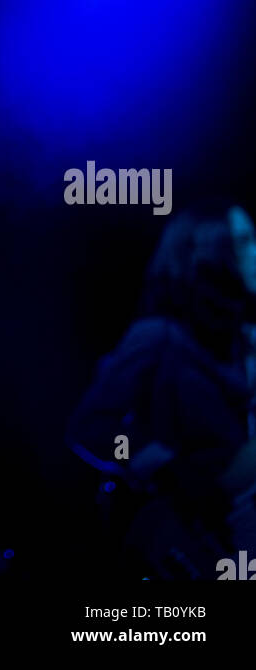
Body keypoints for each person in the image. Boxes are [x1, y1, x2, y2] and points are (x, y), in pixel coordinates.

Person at [66, 201, 256, 578]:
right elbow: (92, 425)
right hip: (198, 538)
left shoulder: (245, 342)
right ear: (208, 253)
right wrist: (167, 470)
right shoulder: (159, 336)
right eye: (244, 240)